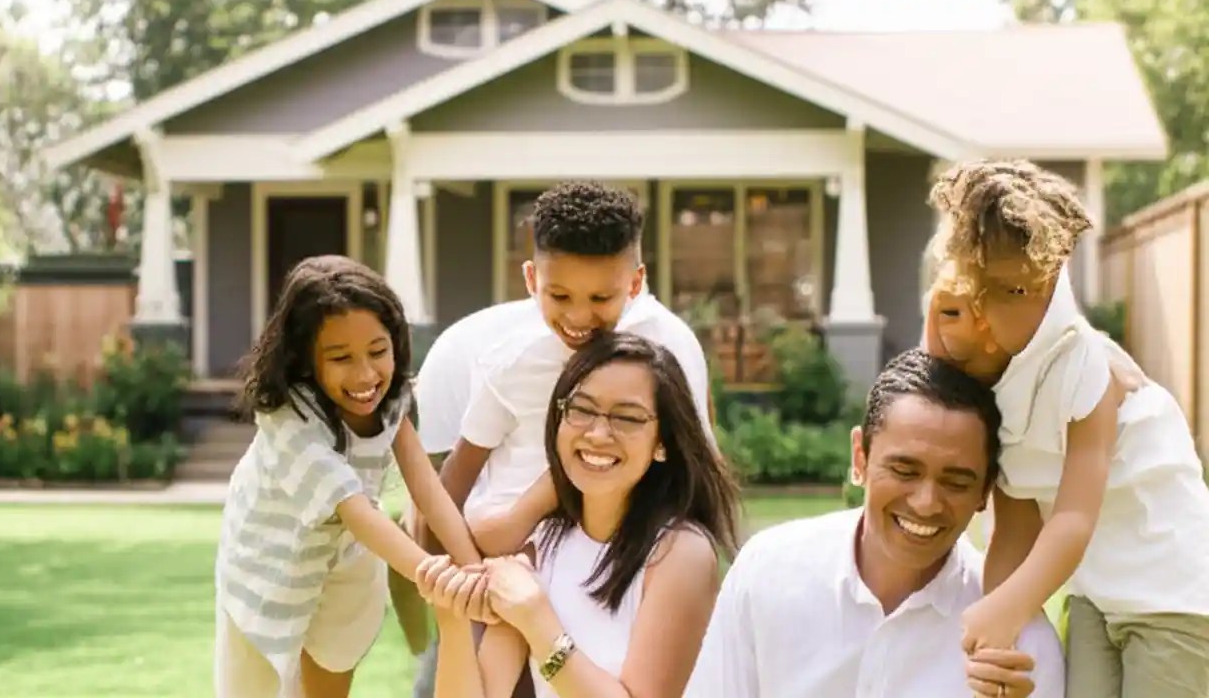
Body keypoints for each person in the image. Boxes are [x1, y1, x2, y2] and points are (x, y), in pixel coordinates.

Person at [922, 160, 1209, 696]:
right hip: (1099, 595)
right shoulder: (996, 386)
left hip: (1174, 591)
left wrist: (1008, 608)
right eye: (970, 294)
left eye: (1010, 292)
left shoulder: (1084, 367)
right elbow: (1015, 528)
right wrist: (999, 638)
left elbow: (1074, 518)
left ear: (1050, 286)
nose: (982, 315)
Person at [687, 348, 1066, 698]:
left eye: (955, 482)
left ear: (985, 490)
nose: (926, 503)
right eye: (904, 470)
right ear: (860, 458)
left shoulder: (1021, 645)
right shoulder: (767, 572)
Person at [214, 255, 488, 698]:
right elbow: (355, 509)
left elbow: (427, 489)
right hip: (271, 564)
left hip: (347, 558)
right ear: (305, 359)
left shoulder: (391, 397)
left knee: (329, 678)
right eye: (341, 358)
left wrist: (473, 570)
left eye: (378, 352)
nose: (365, 375)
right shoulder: (289, 422)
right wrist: (437, 578)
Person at [416, 332, 740, 697]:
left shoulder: (680, 554)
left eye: (628, 418)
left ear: (662, 442)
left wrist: (538, 622)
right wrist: (453, 620)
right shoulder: (544, 544)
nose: (598, 433)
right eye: (582, 409)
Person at [438, 180, 714, 552]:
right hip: (510, 559)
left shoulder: (665, 351)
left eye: (601, 297)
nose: (579, 316)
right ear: (532, 280)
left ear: (635, 283)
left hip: (623, 557)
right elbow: (450, 490)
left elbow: (699, 474)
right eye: (559, 295)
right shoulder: (513, 363)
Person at [403, 296, 541, 698]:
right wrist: (474, 583)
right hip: (483, 583)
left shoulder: (646, 342)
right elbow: (427, 511)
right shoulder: (470, 348)